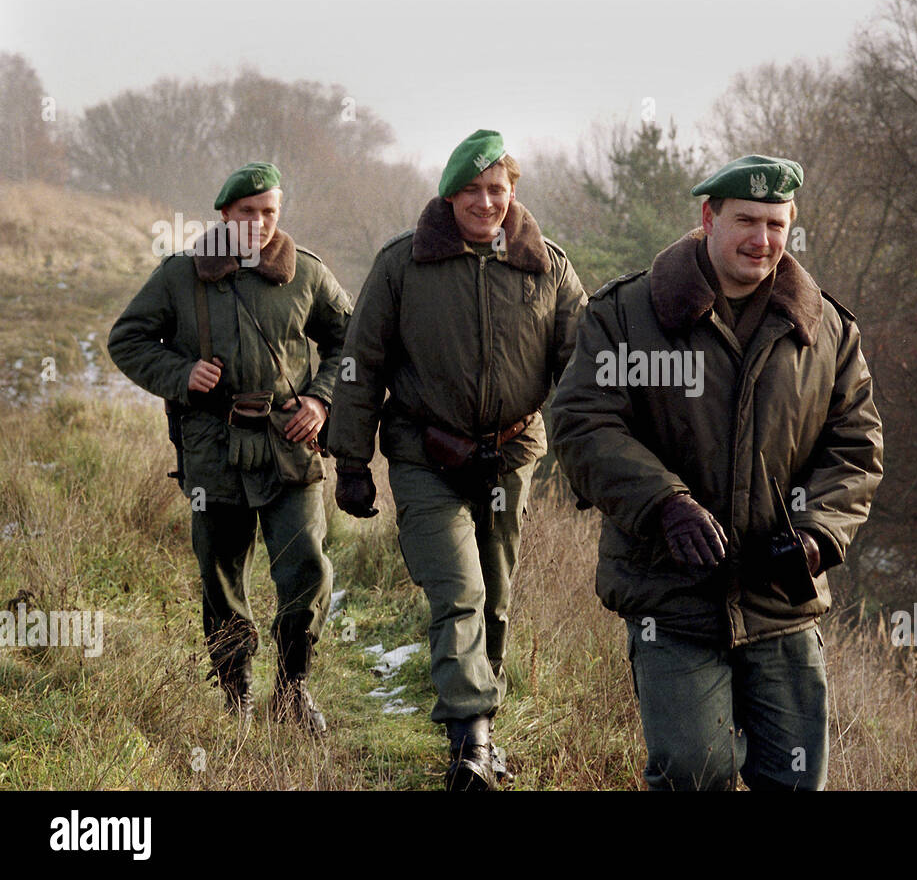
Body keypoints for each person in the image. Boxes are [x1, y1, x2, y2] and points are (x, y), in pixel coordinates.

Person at [550, 154, 884, 790]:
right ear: (708, 218)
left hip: (780, 603)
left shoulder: (827, 331)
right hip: (670, 596)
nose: (763, 240)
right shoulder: (625, 315)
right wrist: (663, 502)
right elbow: (582, 421)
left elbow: (856, 445)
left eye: (777, 225)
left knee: (795, 778)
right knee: (692, 769)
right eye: (746, 221)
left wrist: (816, 535)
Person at [329, 130, 587, 790]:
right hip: (425, 454)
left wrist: (596, 463)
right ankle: (469, 739)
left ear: (512, 191)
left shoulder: (547, 266)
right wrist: (352, 460)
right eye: (470, 189)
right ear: (449, 194)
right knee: (460, 589)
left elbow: (583, 372)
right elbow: (361, 364)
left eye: (495, 188)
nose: (484, 201)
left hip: (510, 455)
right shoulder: (402, 264)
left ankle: (485, 734)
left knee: (494, 595)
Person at [108, 161, 353, 734]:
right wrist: (180, 372)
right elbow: (128, 338)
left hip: (289, 446)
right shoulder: (180, 275)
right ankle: (236, 688)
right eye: (248, 213)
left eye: (270, 212)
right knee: (220, 573)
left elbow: (352, 341)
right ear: (224, 215)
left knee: (308, 569)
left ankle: (293, 688)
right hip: (211, 448)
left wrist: (320, 400)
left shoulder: (308, 275)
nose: (260, 224)